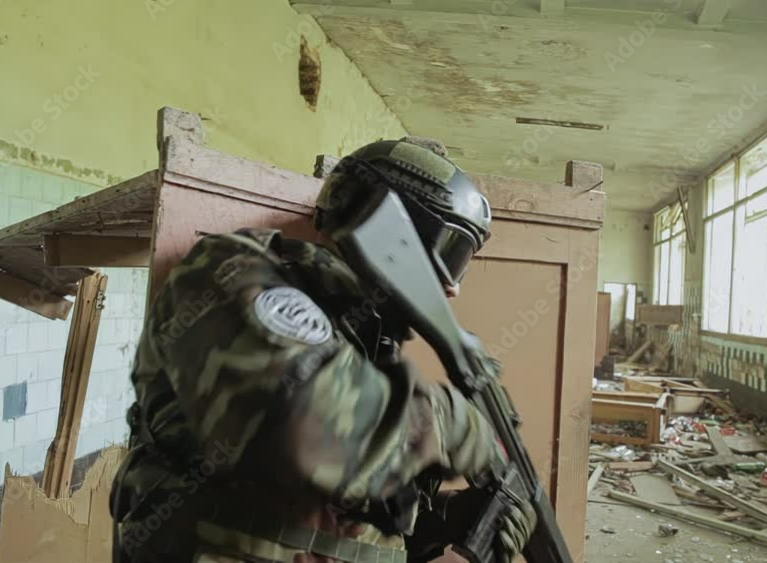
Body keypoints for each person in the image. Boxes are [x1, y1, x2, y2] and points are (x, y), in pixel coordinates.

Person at [110, 139, 538, 563]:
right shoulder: (236, 271)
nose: (453, 287)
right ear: (396, 229)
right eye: (454, 255)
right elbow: (301, 428)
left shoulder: (362, 344)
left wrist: (441, 519)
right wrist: (454, 425)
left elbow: (329, 513)